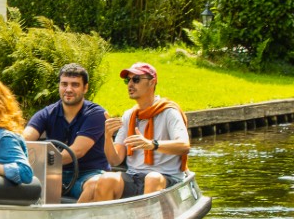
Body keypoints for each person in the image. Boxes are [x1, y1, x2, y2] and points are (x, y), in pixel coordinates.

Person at [79, 61, 190, 202]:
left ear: (152, 82)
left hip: (166, 177)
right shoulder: (129, 116)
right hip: (134, 177)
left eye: (136, 79)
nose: (130, 84)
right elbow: (115, 160)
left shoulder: (169, 112)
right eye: (128, 80)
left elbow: (184, 146)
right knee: (106, 179)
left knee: (152, 178)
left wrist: (152, 144)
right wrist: (107, 136)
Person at [22, 63, 109, 198]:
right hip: (54, 174)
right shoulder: (47, 113)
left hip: (89, 173)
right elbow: (25, 138)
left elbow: (77, 151)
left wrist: (41, 163)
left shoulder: (96, 114)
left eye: (75, 85)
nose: (68, 89)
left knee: (95, 186)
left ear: (85, 88)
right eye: (64, 84)